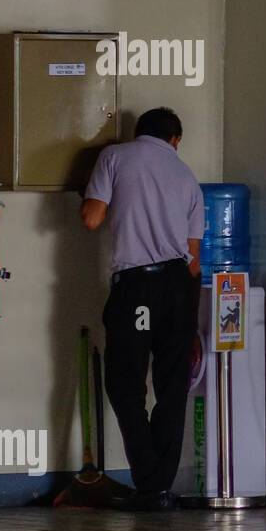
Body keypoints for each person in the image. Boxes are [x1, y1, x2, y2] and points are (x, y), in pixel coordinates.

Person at [81, 107, 204, 510]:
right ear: (175, 140)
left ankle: (149, 481)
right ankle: (157, 486)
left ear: (139, 134)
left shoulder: (115, 156)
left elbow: (91, 219)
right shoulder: (187, 177)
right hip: (179, 287)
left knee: (125, 383)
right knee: (173, 386)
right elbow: (193, 259)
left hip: (138, 285)